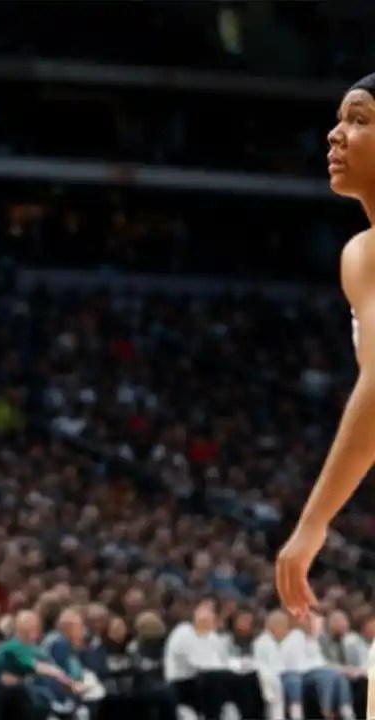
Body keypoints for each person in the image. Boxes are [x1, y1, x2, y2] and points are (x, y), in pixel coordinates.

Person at [277, 72, 375, 718]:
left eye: (361, 118)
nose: (337, 133)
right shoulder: (360, 255)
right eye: (341, 117)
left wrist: (312, 525)